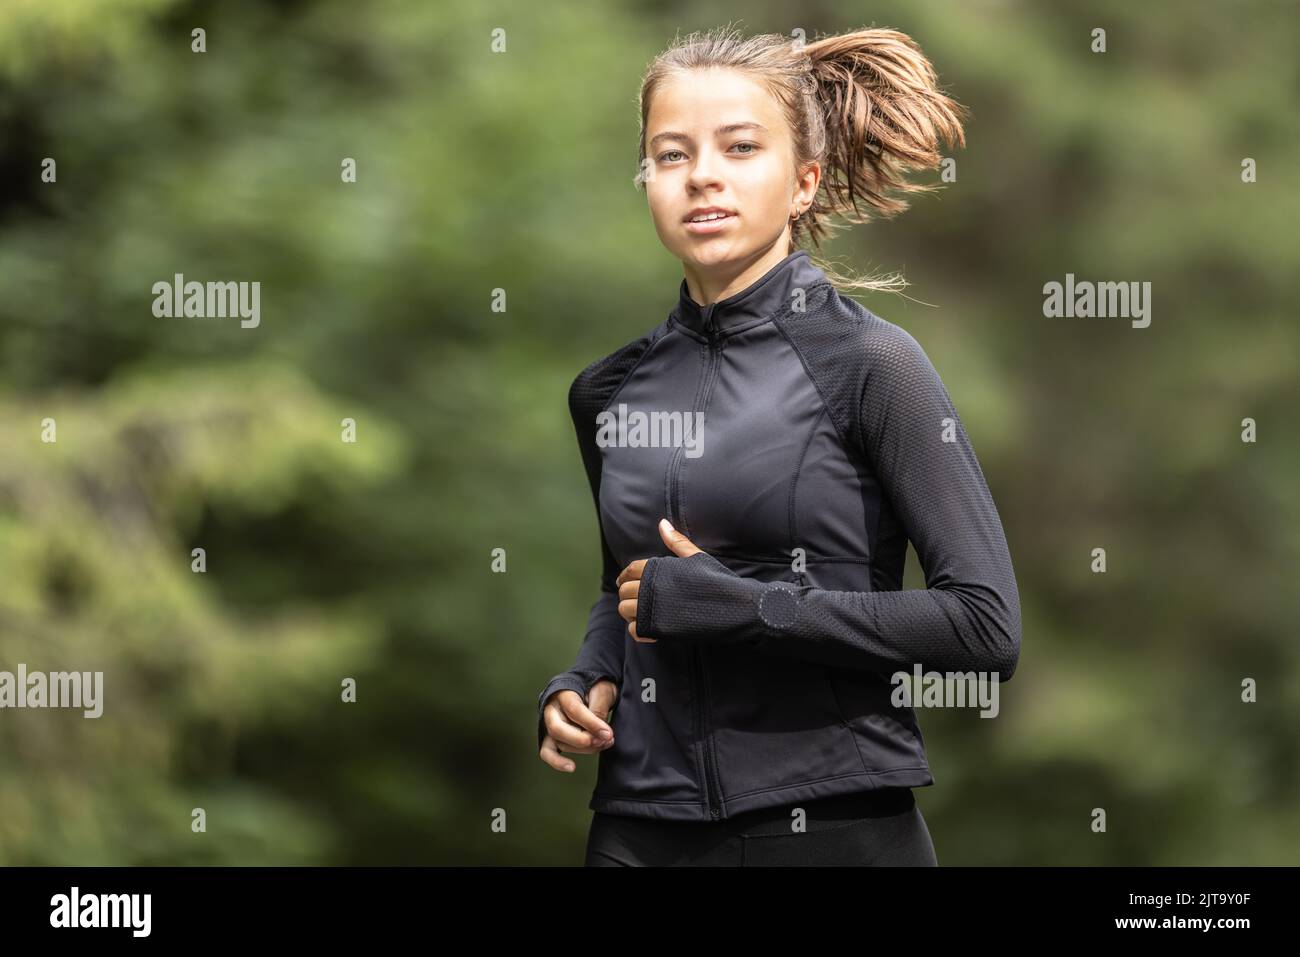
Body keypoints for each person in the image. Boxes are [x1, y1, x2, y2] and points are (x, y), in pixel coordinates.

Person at [536, 24, 1020, 866]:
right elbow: (625, 591)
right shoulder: (606, 393)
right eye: (672, 154)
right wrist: (583, 679)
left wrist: (753, 607)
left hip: (832, 822)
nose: (704, 176)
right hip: (638, 829)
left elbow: (983, 629)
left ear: (803, 182)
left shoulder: (873, 365)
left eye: (740, 147)